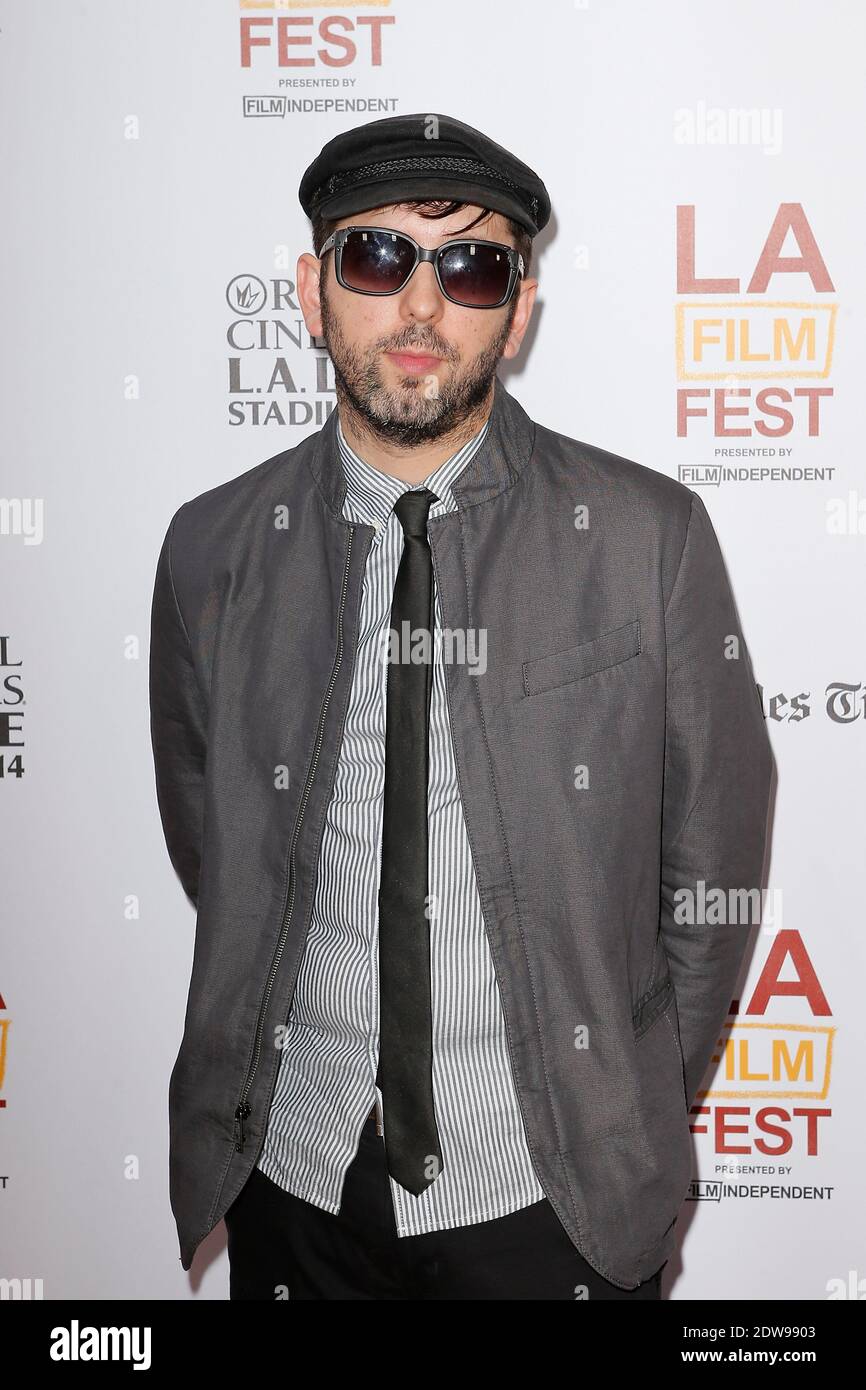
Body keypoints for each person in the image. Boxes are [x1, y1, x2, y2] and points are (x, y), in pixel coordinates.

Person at [149, 113, 774, 1301]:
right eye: (377, 255)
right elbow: (213, 839)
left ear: (518, 310)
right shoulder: (214, 548)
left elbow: (712, 864)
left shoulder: (645, 539)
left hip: (552, 1202)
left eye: (472, 265)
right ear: (312, 288)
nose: (420, 308)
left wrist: (623, 1092)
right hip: (295, 1183)